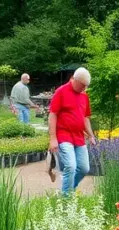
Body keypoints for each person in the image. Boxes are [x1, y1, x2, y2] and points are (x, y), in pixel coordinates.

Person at [48, 67, 96, 195]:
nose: (84, 89)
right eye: (82, 85)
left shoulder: (84, 96)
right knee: (70, 166)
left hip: (79, 137)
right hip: (64, 135)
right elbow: (53, 114)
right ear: (75, 80)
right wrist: (53, 139)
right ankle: (66, 199)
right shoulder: (61, 92)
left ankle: (67, 190)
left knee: (84, 168)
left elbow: (85, 118)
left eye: (86, 86)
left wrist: (91, 135)